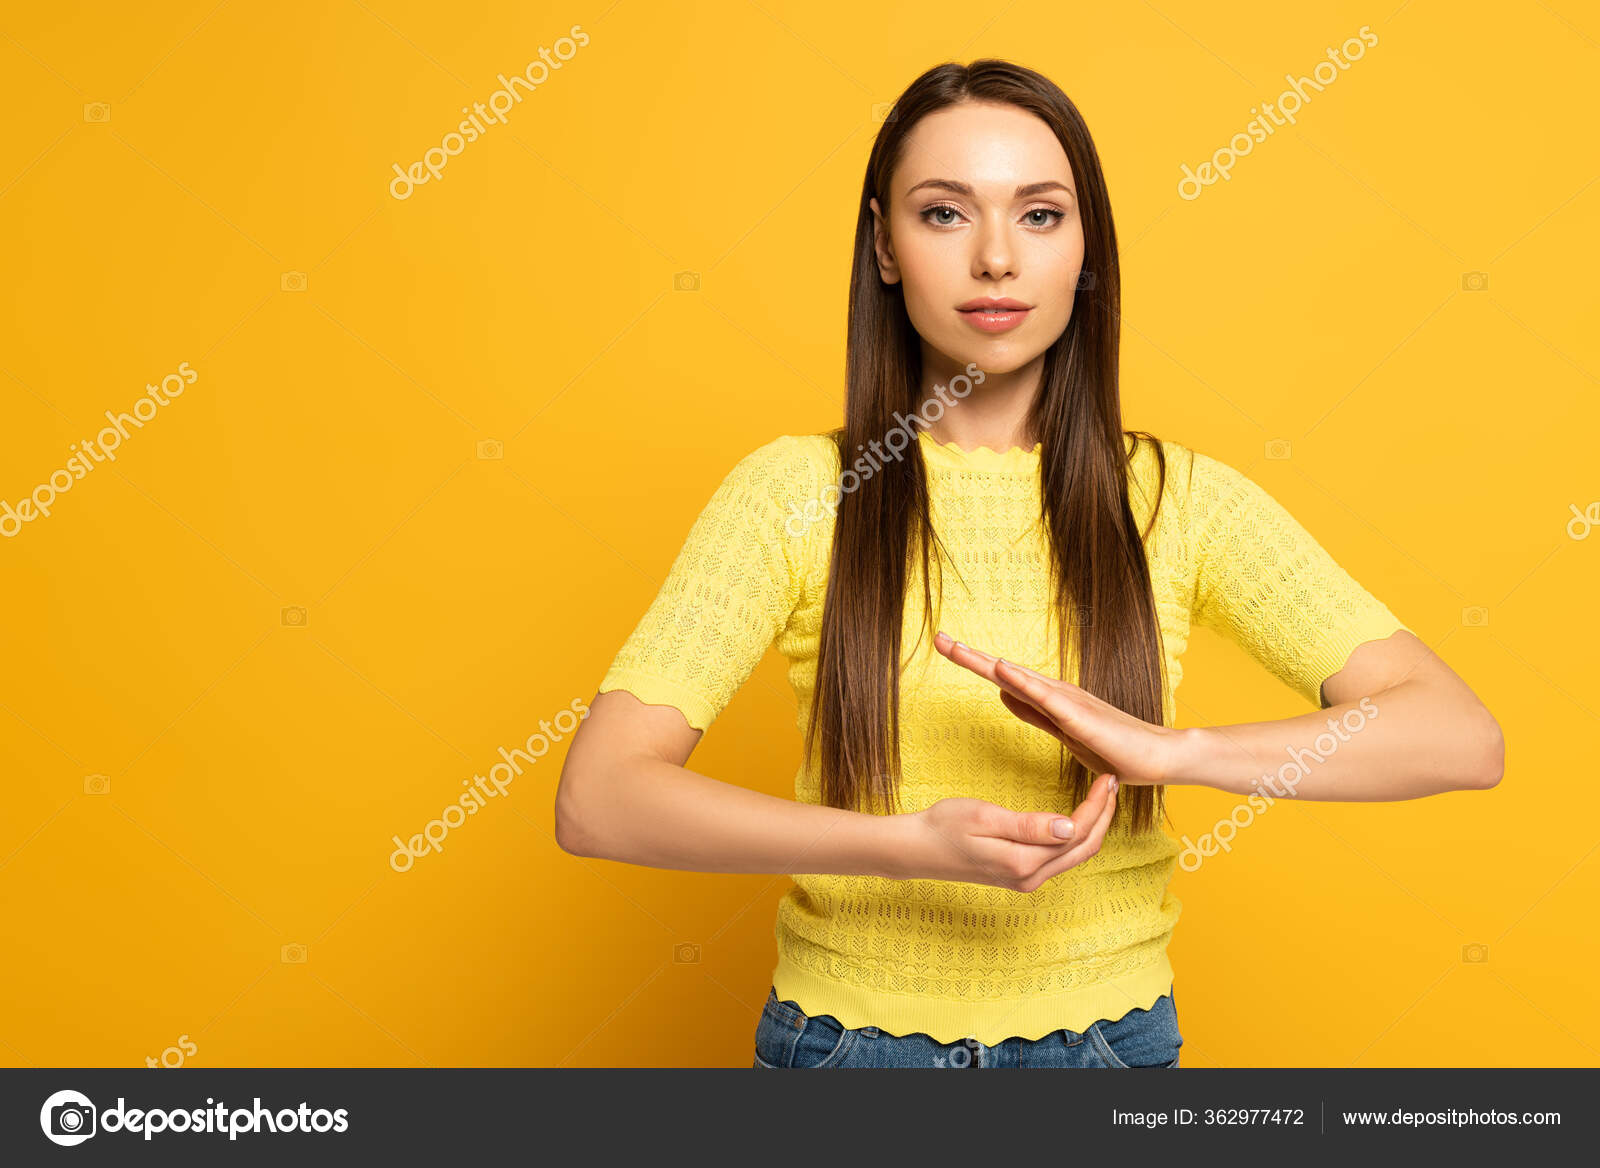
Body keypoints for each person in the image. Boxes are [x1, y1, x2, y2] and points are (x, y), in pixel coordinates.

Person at [554, 58, 1504, 1070]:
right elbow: (600, 795)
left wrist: (1172, 753)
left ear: (1086, 249)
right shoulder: (794, 491)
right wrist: (903, 847)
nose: (996, 259)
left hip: (1107, 1050)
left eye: (1040, 216)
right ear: (885, 244)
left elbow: (1457, 736)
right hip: (848, 1051)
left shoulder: (1174, 498)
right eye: (945, 214)